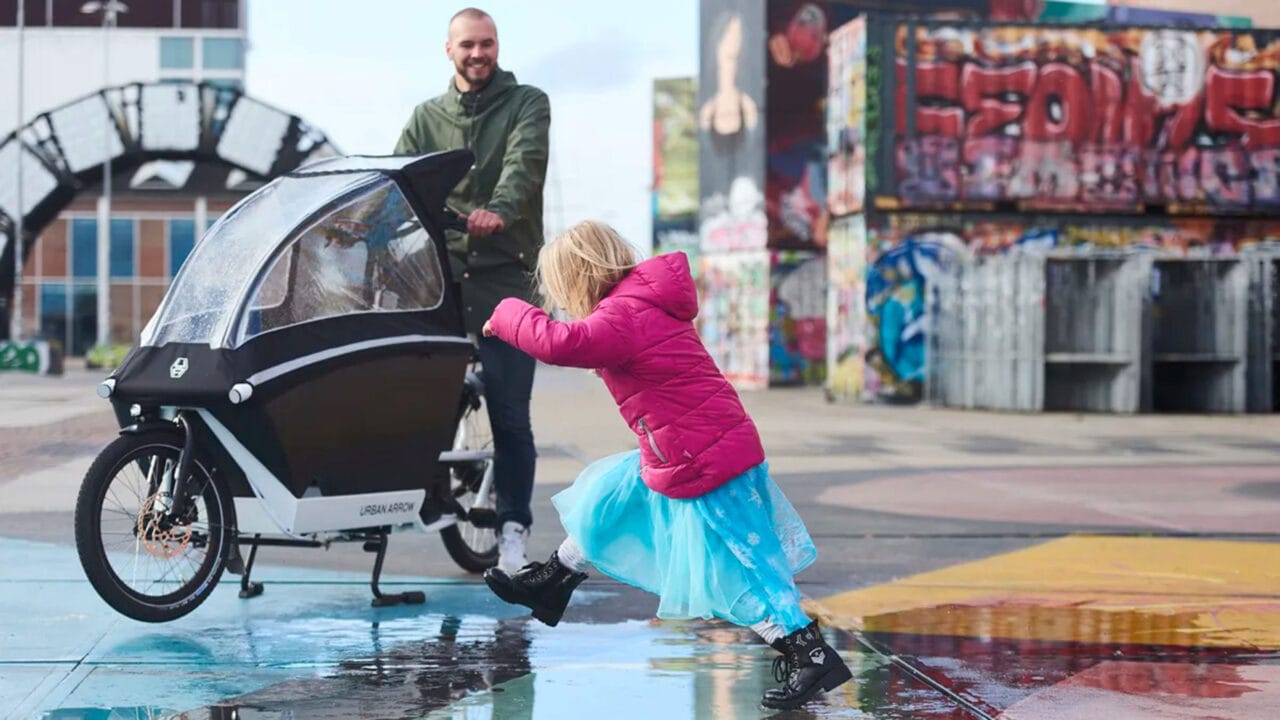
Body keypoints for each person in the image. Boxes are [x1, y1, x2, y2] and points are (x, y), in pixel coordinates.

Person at [479, 221, 852, 711]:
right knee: (610, 496)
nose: (563, 298)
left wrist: (505, 313)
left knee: (742, 565)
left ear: (579, 275)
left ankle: (810, 652)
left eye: (561, 285)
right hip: (686, 447)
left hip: (705, 458)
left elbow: (558, 344)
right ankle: (554, 581)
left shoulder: (622, 315)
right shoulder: (641, 302)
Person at [394, 7, 550, 572]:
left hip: (506, 278)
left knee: (510, 415)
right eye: (467, 45)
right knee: (405, 390)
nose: (477, 54)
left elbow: (524, 165)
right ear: (448, 50)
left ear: (497, 46)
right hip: (442, 279)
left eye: (486, 44)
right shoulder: (425, 117)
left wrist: (499, 211)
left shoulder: (527, 102)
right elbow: (399, 180)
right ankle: (433, 489)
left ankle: (512, 531)